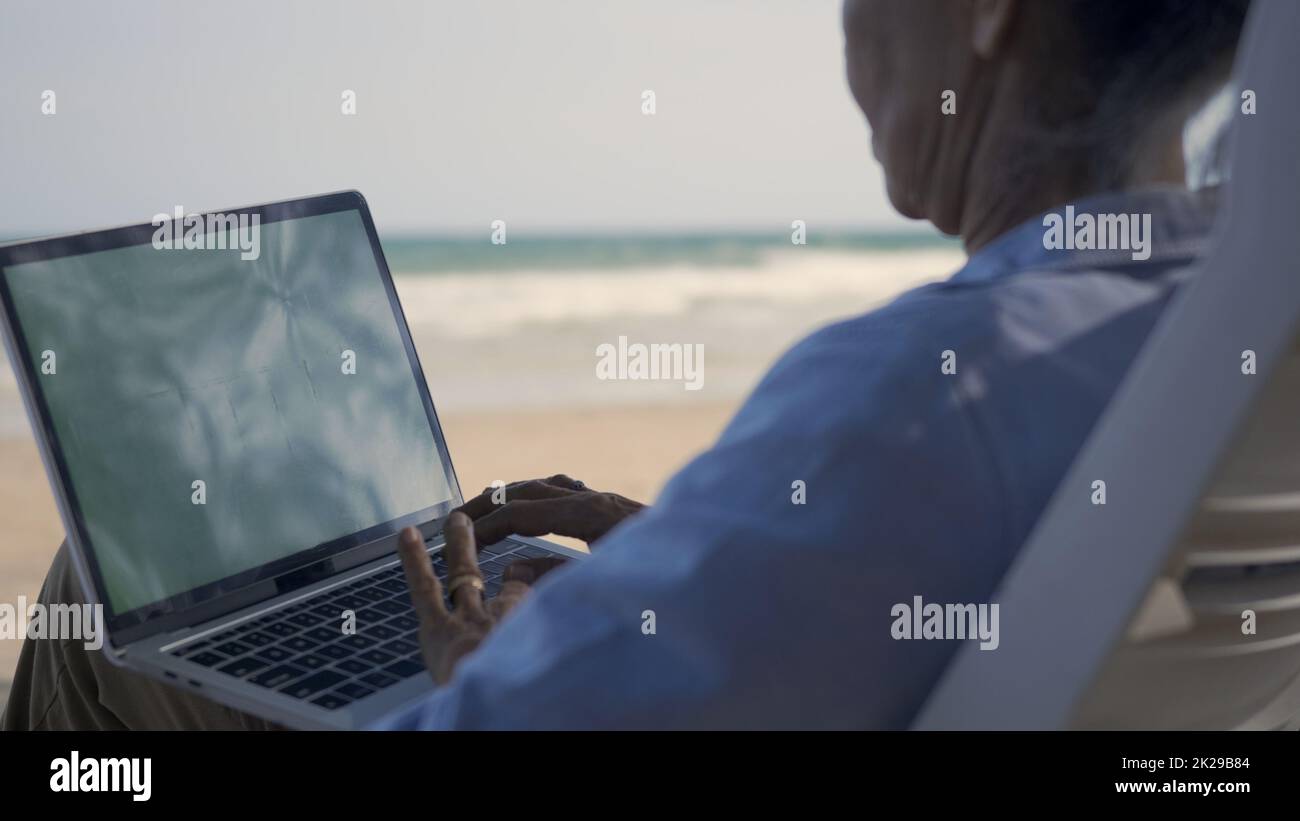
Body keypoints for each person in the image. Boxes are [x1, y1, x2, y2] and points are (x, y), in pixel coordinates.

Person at [3, 0, 1250, 730]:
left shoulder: (915, 390)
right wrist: (691, 548)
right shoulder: (1216, 327)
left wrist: (477, 663)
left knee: (101, 609)